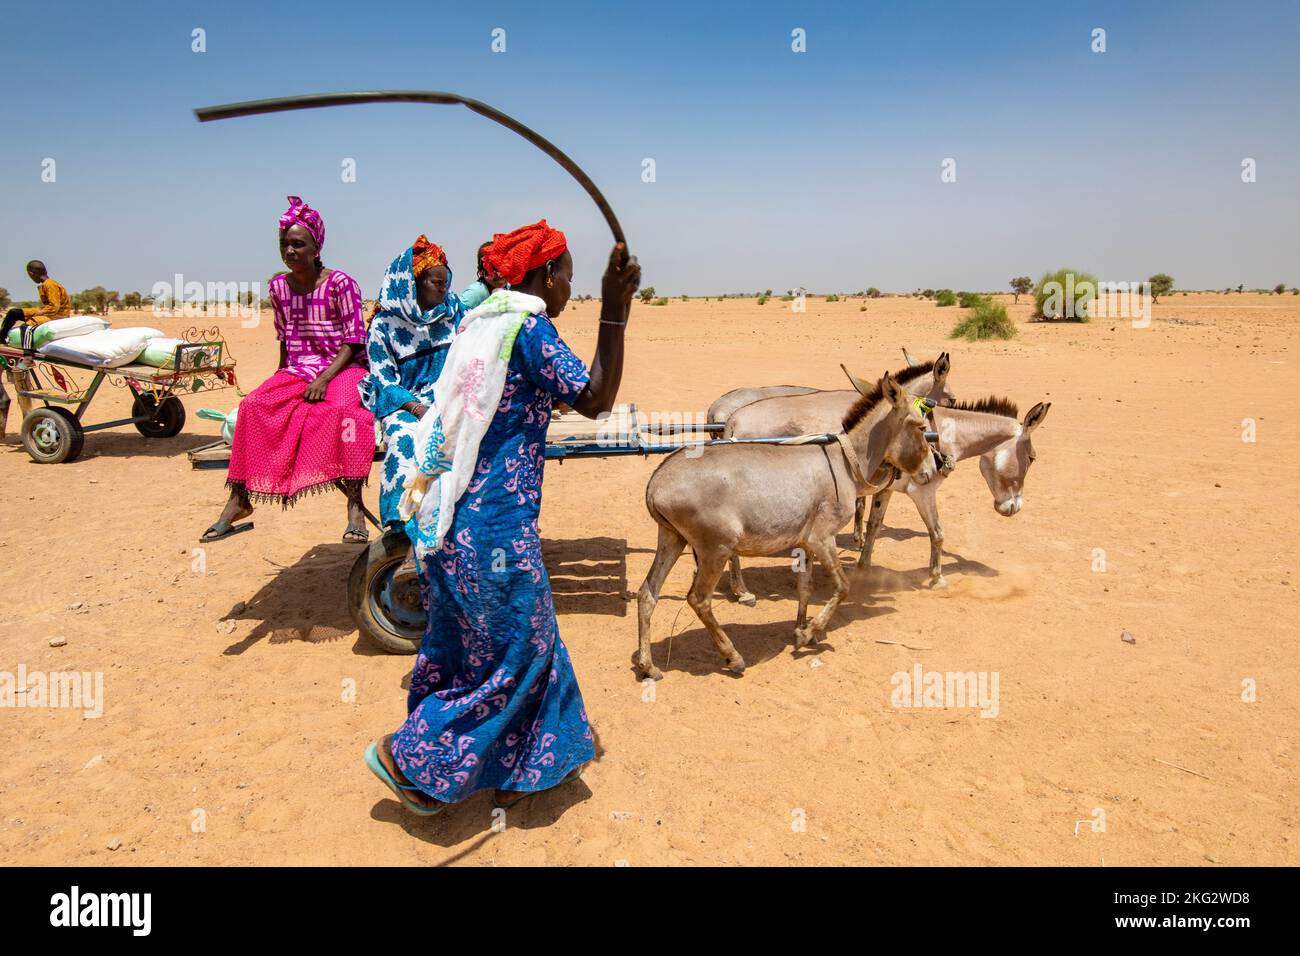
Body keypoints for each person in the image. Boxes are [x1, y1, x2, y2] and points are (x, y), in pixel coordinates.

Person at [364, 220, 640, 814]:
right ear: (544, 277)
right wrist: (615, 311)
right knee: (521, 653)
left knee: (477, 646)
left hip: (453, 520)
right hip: (496, 530)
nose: (570, 287)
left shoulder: (483, 323)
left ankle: (550, 756)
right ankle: (407, 757)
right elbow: (594, 400)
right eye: (566, 275)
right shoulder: (529, 327)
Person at [201, 196, 374, 543]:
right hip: (299, 368)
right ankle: (239, 500)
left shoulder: (341, 283)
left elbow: (354, 340)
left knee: (344, 413)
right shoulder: (279, 287)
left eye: (299, 244)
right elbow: (285, 337)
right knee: (253, 406)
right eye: (285, 245)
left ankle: (355, 506)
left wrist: (325, 378)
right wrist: (277, 381)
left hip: (345, 366)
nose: (290, 251)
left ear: (316, 247)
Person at [359, 236, 500, 531]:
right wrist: (419, 409)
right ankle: (402, 527)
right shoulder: (384, 326)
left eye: (445, 282)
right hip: (406, 404)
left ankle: (471, 522)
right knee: (405, 440)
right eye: (436, 282)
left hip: (453, 398)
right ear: (414, 283)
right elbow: (384, 381)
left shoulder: (454, 314)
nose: (444, 289)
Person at [1, 261, 73, 437]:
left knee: (27, 327)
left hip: (55, 316)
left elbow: (54, 307)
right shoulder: (44, 285)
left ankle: (27, 356)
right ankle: (2, 336)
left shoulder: (50, 285)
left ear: (33, 272)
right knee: (14, 313)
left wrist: (35, 313)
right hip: (49, 313)